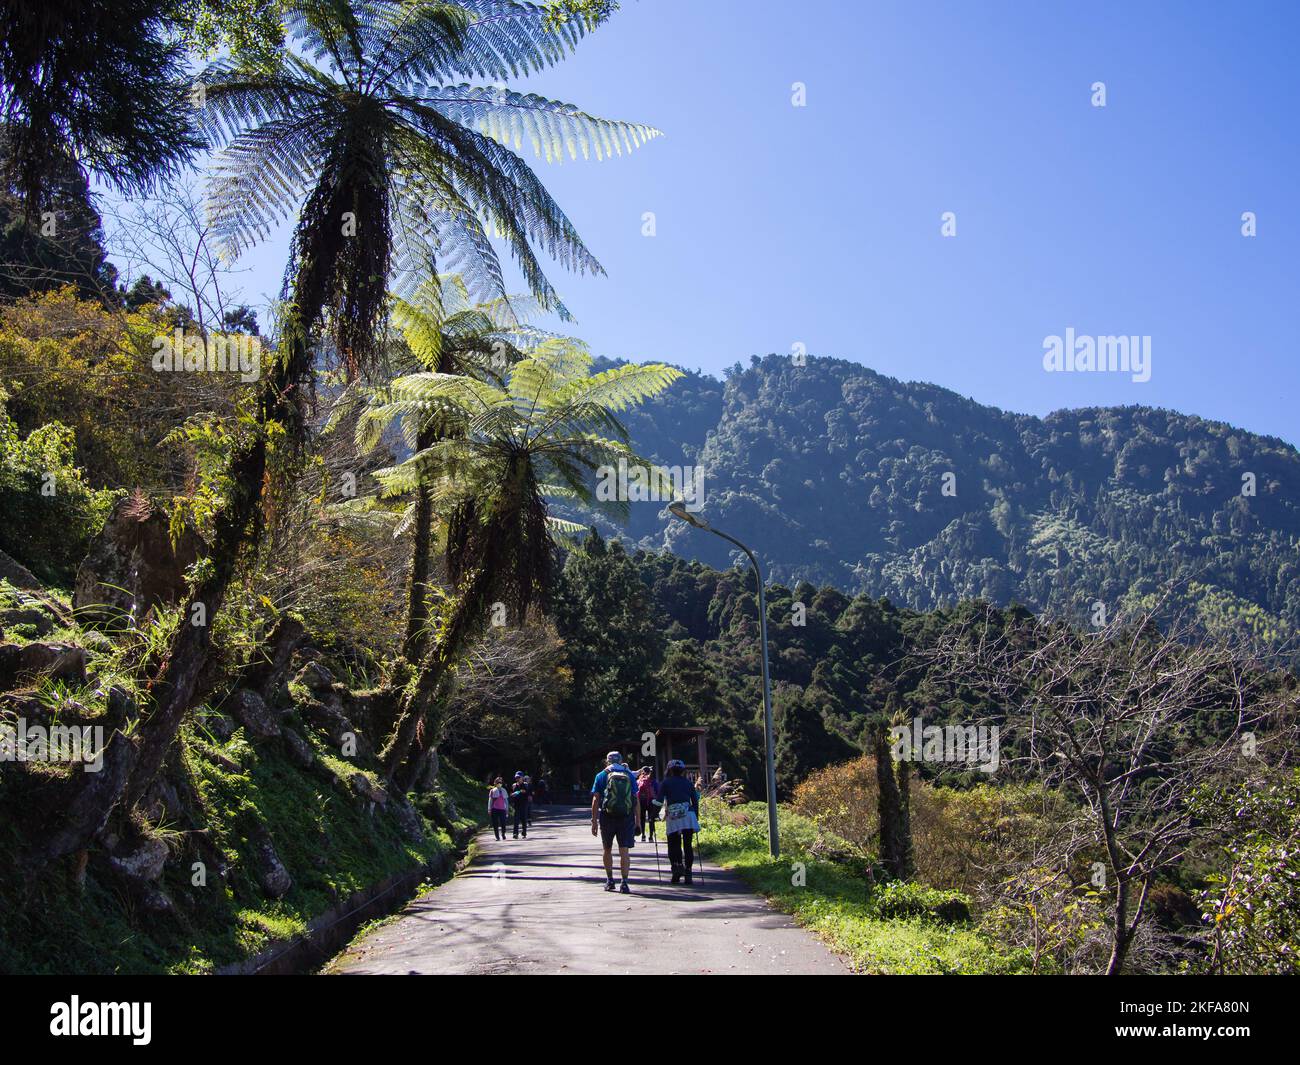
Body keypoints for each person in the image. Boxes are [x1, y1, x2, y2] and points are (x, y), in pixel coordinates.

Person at [591, 750, 640, 893]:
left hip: (607, 816)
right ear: (620, 760)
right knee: (624, 851)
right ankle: (624, 882)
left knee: (607, 849)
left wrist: (594, 821)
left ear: (607, 761)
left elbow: (596, 799)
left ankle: (610, 880)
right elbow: (635, 800)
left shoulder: (601, 775)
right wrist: (638, 821)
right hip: (626, 816)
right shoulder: (629, 775)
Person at [661, 759, 701, 885]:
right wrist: (696, 816)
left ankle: (676, 868)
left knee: (673, 843)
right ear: (683, 770)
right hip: (688, 814)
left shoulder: (666, 783)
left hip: (673, 815)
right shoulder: (688, 783)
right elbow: (695, 800)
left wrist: (652, 814)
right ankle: (688, 872)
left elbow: (658, 800)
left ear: (670, 770)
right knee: (688, 844)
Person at [637, 766, 659, 843]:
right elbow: (657, 791)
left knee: (642, 819)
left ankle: (643, 835)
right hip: (651, 801)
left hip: (642, 801)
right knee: (651, 819)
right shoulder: (653, 781)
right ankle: (651, 837)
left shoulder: (639, 780)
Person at [487, 776, 509, 840]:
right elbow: (490, 800)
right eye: (498, 782)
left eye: (500, 782)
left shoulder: (504, 790)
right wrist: (489, 809)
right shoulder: (492, 791)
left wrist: (507, 809)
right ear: (495, 783)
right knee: (495, 823)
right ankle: (497, 836)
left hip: (502, 809)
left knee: (503, 823)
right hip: (494, 809)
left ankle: (503, 833)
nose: (499, 783)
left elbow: (506, 801)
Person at [510, 772, 529, 839]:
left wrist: (524, 792)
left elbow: (528, 793)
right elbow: (511, 794)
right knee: (516, 820)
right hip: (516, 805)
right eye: (516, 777)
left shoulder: (525, 785)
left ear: (522, 778)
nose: (517, 779)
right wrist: (512, 795)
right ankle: (515, 833)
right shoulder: (514, 785)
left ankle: (524, 833)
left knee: (524, 819)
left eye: (519, 777)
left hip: (524, 804)